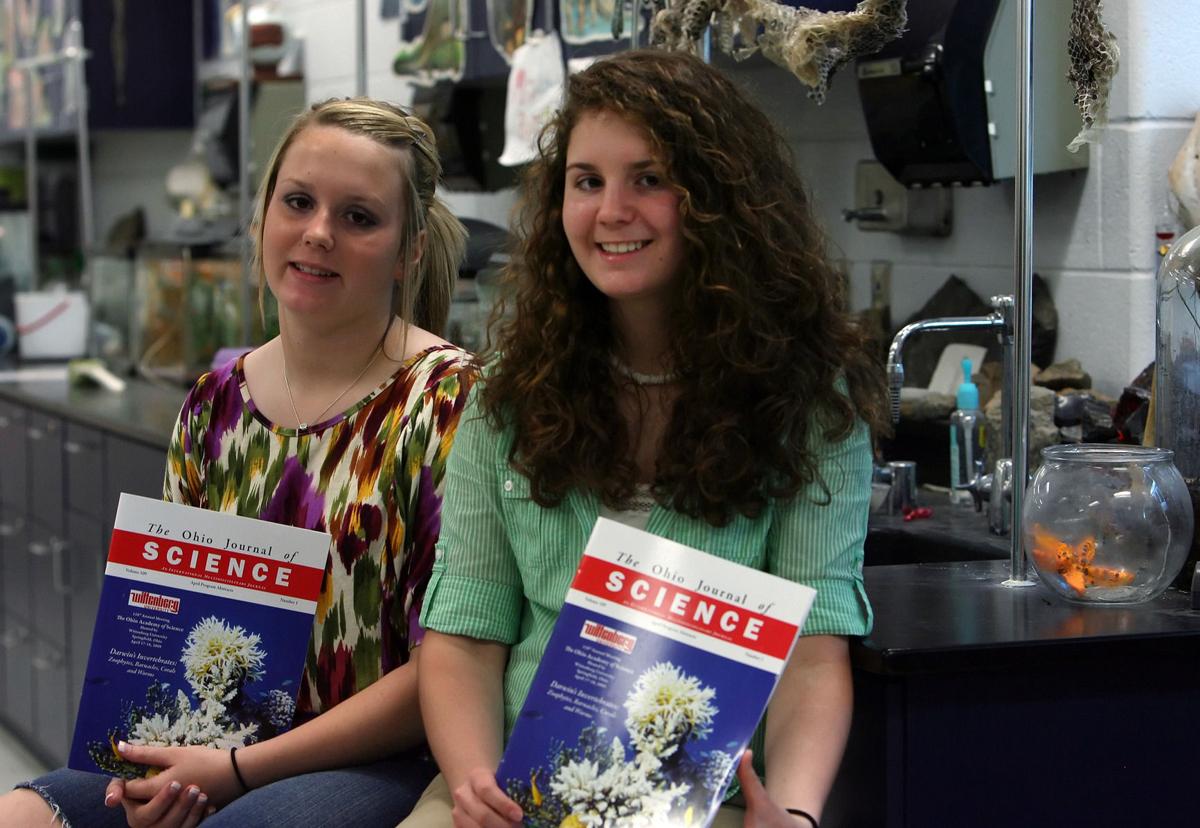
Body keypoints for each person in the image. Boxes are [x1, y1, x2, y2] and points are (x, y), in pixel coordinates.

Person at [402, 49, 888, 828]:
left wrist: (792, 813)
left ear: (723, 200)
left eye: (649, 179)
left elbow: (812, 651)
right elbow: (464, 632)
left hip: (706, 807)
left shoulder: (806, 403)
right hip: (513, 799)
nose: (611, 211)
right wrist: (472, 785)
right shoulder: (508, 396)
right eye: (587, 181)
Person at [1, 97, 477, 828]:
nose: (318, 233)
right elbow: (174, 628)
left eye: (358, 217)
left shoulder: (449, 402)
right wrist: (153, 764)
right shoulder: (214, 403)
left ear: (409, 250)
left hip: (376, 759)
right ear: (263, 217)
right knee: (21, 813)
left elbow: (442, 673)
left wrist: (232, 770)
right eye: (298, 201)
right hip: (215, 741)